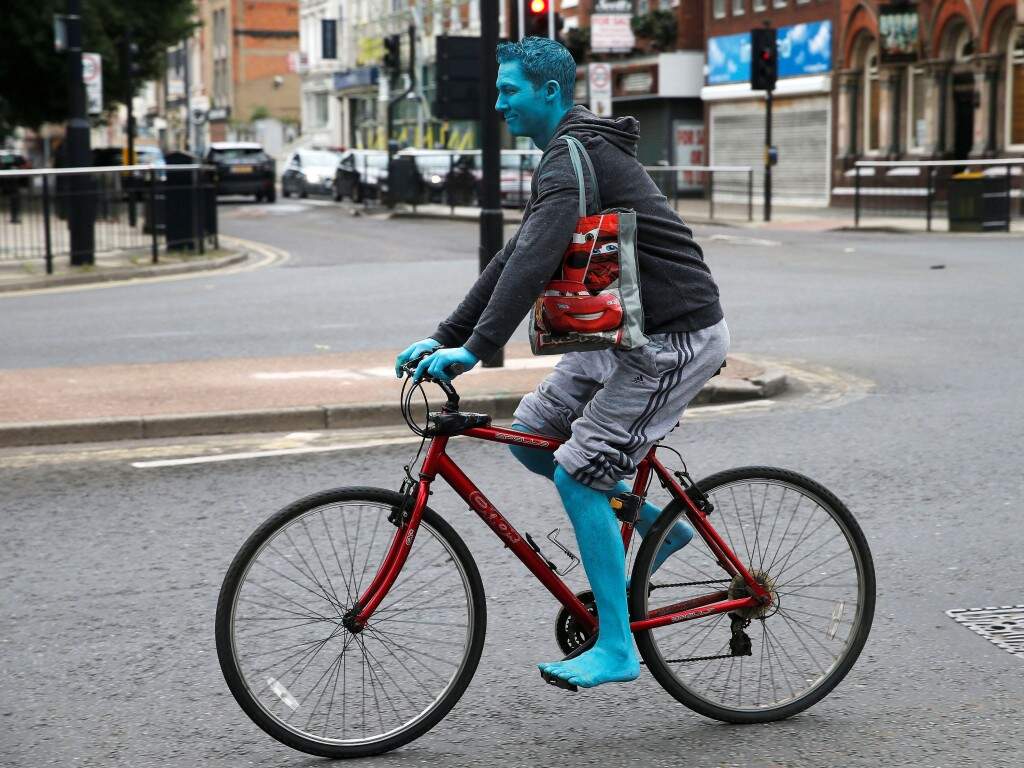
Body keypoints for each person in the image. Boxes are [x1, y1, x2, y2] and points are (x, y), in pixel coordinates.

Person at [395, 37, 729, 689]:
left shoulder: (574, 153)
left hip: (672, 337)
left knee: (578, 476)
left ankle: (617, 647)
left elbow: (535, 256)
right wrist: (448, 337)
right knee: (530, 440)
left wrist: (474, 349)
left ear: (548, 92)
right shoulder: (566, 155)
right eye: (496, 90)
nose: (497, 103)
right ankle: (662, 532)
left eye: (508, 90)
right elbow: (513, 256)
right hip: (618, 333)